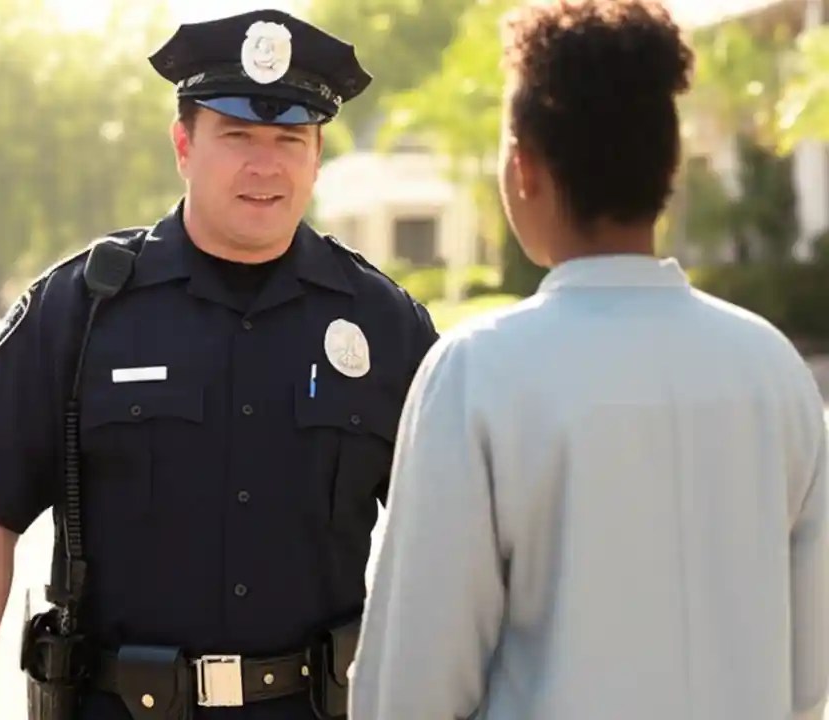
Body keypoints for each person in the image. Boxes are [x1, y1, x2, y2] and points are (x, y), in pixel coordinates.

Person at [0, 9, 437, 720]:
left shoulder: (386, 325)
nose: (265, 165)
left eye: (290, 138)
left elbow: (451, 542)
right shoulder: (81, 308)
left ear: (317, 153)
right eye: (236, 136)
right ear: (183, 146)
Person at [349, 1, 829, 719]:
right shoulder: (775, 373)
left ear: (524, 168)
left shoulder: (478, 376)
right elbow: (806, 675)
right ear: (669, 166)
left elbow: (410, 692)